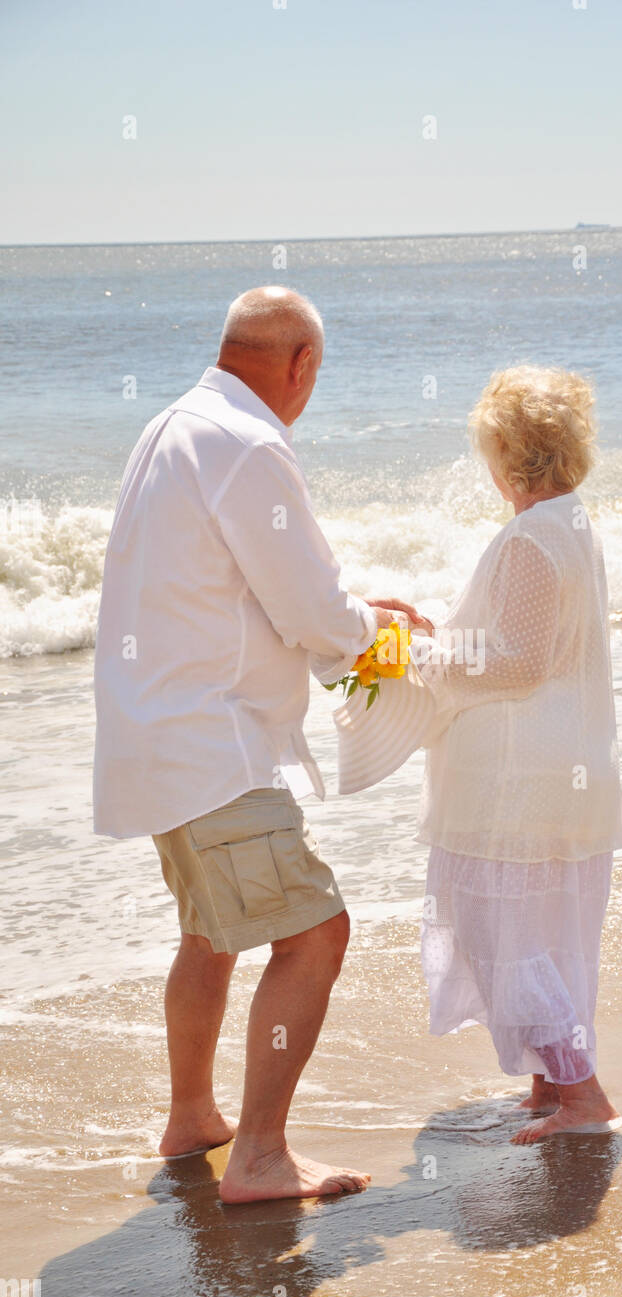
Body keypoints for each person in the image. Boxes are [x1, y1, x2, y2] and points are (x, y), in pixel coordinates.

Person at [93, 286, 421, 1201]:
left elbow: (254, 590)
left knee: (212, 933)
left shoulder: (174, 426)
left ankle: (193, 1117)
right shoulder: (249, 443)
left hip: (158, 732)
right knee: (315, 933)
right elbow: (311, 609)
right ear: (301, 365)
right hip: (212, 743)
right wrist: (387, 636)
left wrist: (353, 618)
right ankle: (261, 1156)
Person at [413, 365, 622, 1143]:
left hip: (520, 781)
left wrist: (422, 653)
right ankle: (549, 1084)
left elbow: (518, 662)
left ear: (507, 456)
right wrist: (439, 634)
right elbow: (530, 645)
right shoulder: (571, 522)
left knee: (504, 934)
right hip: (567, 769)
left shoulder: (530, 535)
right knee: (548, 931)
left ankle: (583, 1098)